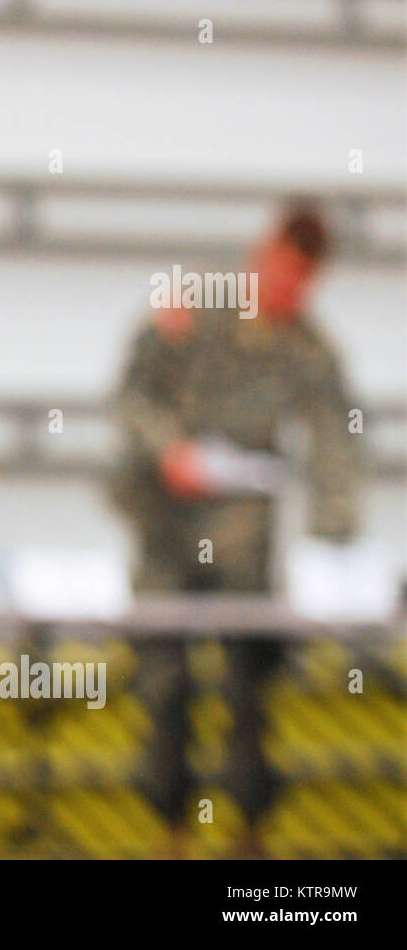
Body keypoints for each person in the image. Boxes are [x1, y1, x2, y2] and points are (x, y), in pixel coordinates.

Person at [111, 205, 361, 856]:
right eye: (281, 272)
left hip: (243, 530)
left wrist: (336, 526)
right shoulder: (195, 307)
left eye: (300, 281)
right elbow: (132, 395)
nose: (286, 291)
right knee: (165, 681)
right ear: (263, 252)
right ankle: (170, 830)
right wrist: (169, 449)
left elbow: (336, 429)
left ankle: (248, 837)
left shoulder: (307, 346)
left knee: (251, 679)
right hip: (167, 522)